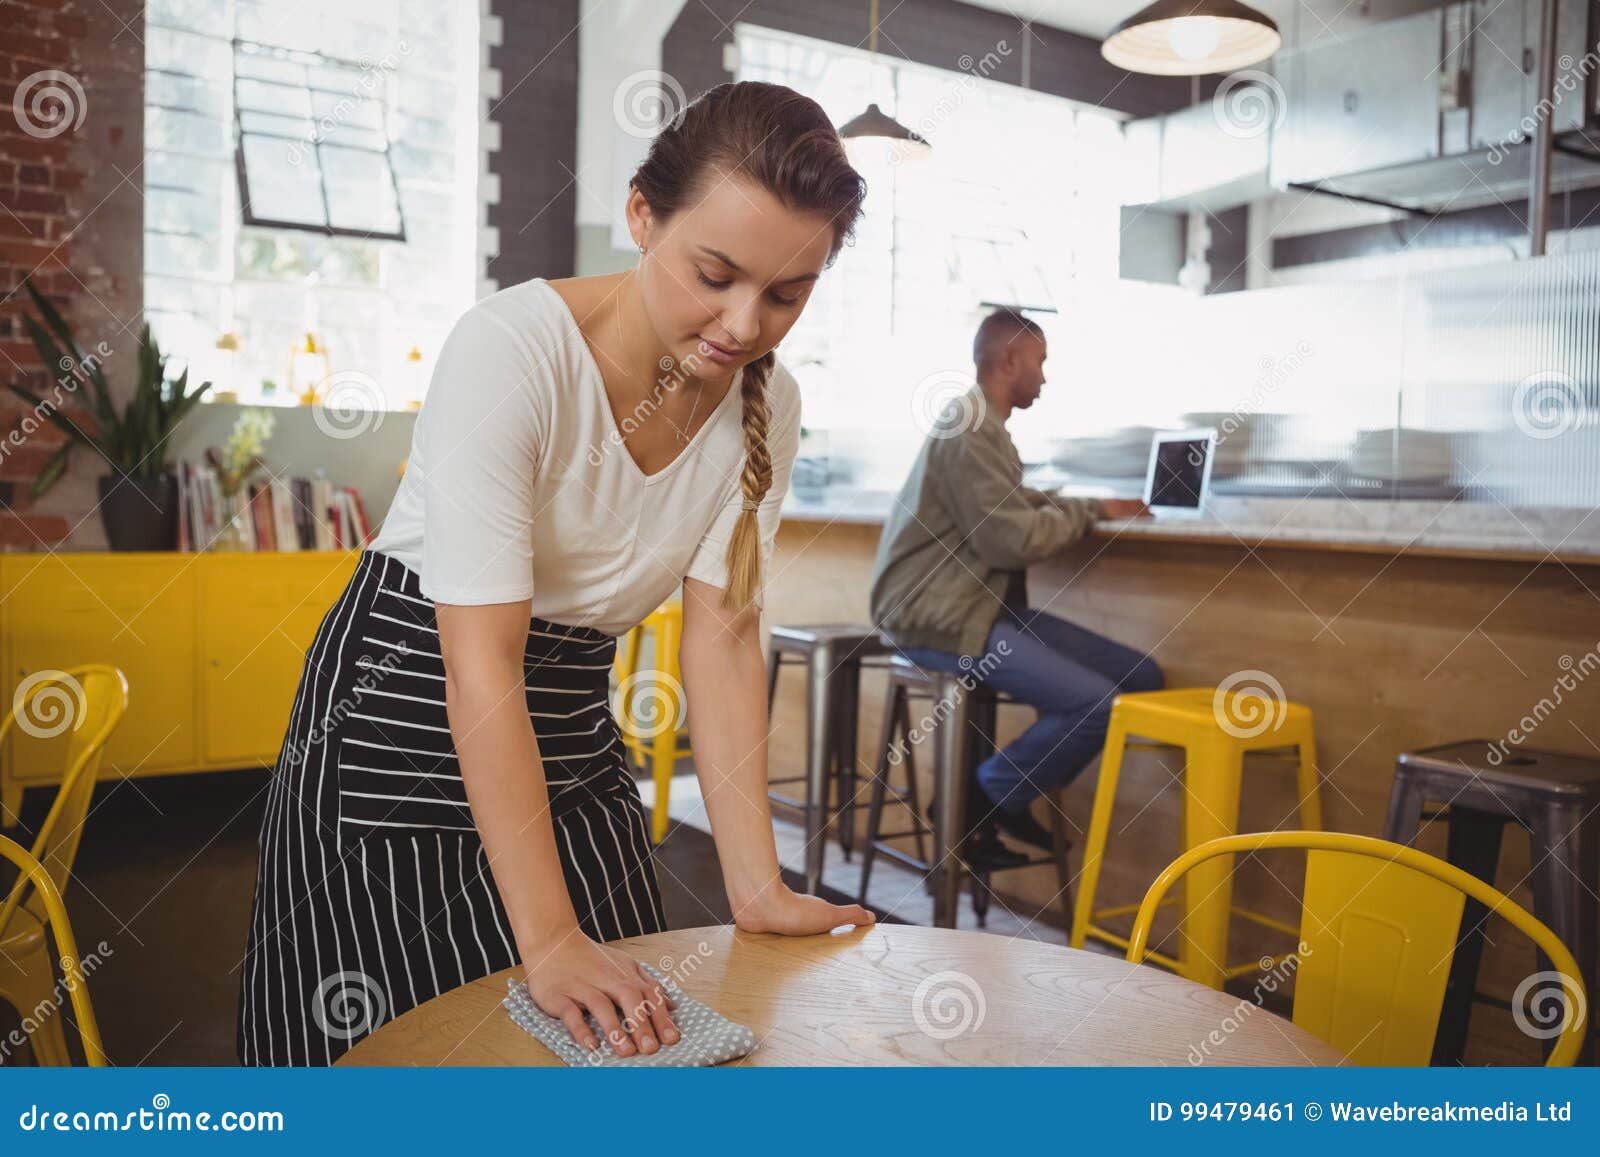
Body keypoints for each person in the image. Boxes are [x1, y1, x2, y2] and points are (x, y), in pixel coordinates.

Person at [237, 81, 877, 1067]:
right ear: (639, 213)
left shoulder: (766, 400)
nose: (743, 323)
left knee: (638, 1046)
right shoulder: (511, 348)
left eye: (786, 294)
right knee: (406, 1067)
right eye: (715, 273)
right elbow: (481, 664)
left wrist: (756, 885)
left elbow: (724, 632)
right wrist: (545, 936)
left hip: (571, 721)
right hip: (402, 710)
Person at [869, 309, 1163, 860]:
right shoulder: (972, 427)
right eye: (1040, 363)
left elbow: (1013, 507)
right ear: (1009, 361)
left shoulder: (985, 428)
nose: (1045, 378)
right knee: (1098, 705)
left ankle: (1002, 797)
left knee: (1141, 676)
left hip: (980, 608)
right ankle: (986, 797)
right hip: (937, 617)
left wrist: (1090, 506)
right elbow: (1008, 540)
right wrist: (1084, 515)